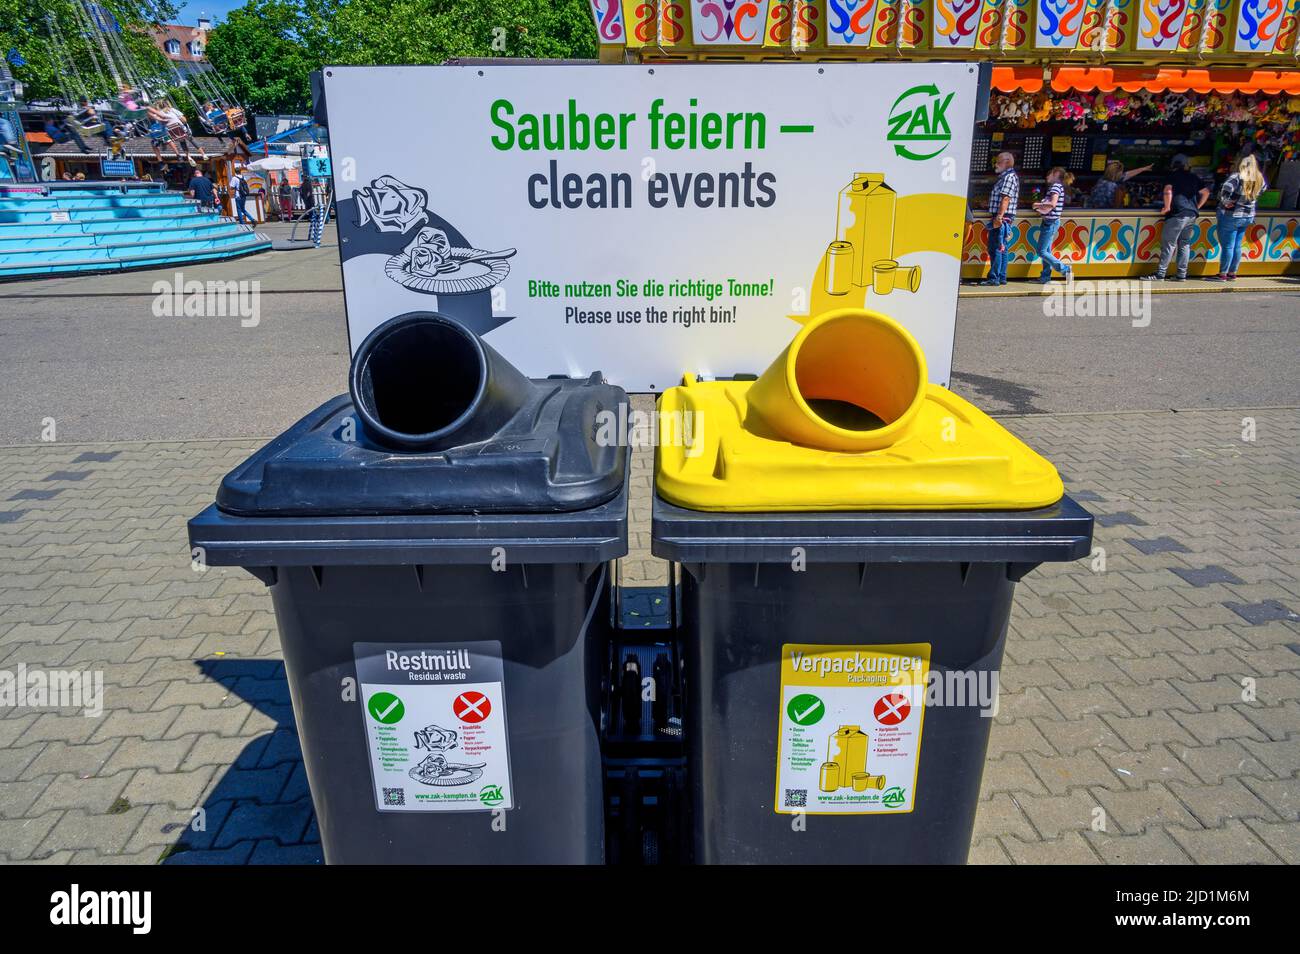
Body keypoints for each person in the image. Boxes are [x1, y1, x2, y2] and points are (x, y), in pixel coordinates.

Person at [1142, 154, 1210, 282]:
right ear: (1186, 165)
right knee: (1184, 244)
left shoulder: (1172, 176)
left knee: (1169, 244)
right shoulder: (1193, 177)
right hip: (1191, 214)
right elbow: (1206, 192)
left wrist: (1167, 207)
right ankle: (1181, 275)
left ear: (1173, 165)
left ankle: (1160, 274)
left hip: (1177, 214)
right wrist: (1197, 207)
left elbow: (1168, 190)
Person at [1209, 154, 1265, 283]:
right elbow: (1262, 191)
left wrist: (1226, 202)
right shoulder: (1259, 178)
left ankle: (1222, 274)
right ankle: (1232, 273)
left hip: (1231, 216)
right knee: (1237, 245)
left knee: (1228, 246)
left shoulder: (1236, 177)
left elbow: (1223, 193)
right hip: (1248, 216)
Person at [980, 151, 1019, 286]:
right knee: (1002, 248)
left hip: (1002, 219)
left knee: (996, 247)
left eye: (998, 161)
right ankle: (1001, 277)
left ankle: (994, 278)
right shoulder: (1006, 177)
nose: (995, 164)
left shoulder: (1008, 177)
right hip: (1004, 218)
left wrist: (999, 217)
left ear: (1007, 162)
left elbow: (1006, 198)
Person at [1032, 167, 1074, 284]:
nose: (1046, 177)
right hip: (1051, 222)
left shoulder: (1055, 187)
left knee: (1041, 251)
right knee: (1047, 251)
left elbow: (1052, 204)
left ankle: (1065, 269)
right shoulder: (1059, 186)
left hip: (1050, 223)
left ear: (1056, 174)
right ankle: (1045, 276)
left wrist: (1037, 205)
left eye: (1049, 174)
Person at [1087, 160, 1153, 208]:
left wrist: (1143, 169)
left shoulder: (1101, 180)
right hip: (1104, 214)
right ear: (1118, 173)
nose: (1122, 173)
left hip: (1092, 211)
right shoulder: (1113, 186)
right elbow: (1116, 207)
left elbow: (1127, 174)